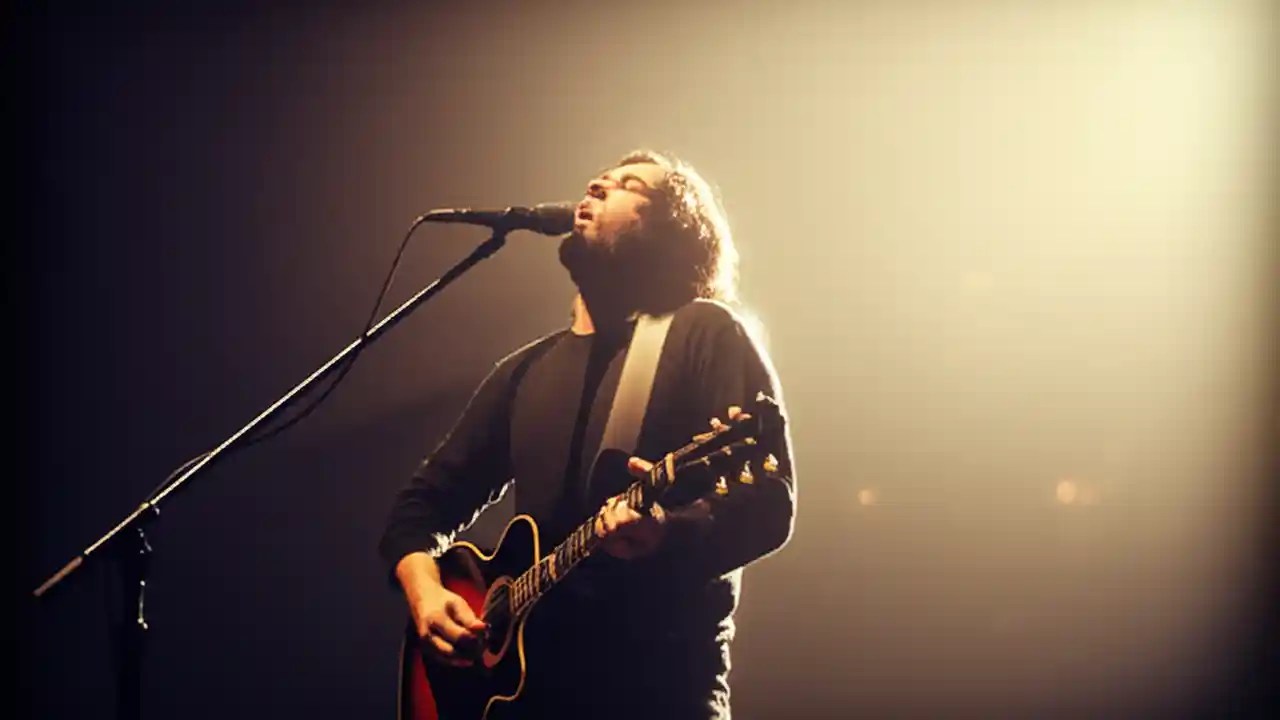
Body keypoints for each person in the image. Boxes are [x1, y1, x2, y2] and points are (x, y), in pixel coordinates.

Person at [378, 149, 796, 719]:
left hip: (656, 696)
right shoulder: (523, 371)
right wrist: (427, 594)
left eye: (629, 186)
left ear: (672, 233)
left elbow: (771, 500)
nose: (598, 183)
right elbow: (418, 510)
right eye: (599, 178)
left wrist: (667, 533)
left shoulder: (705, 333)